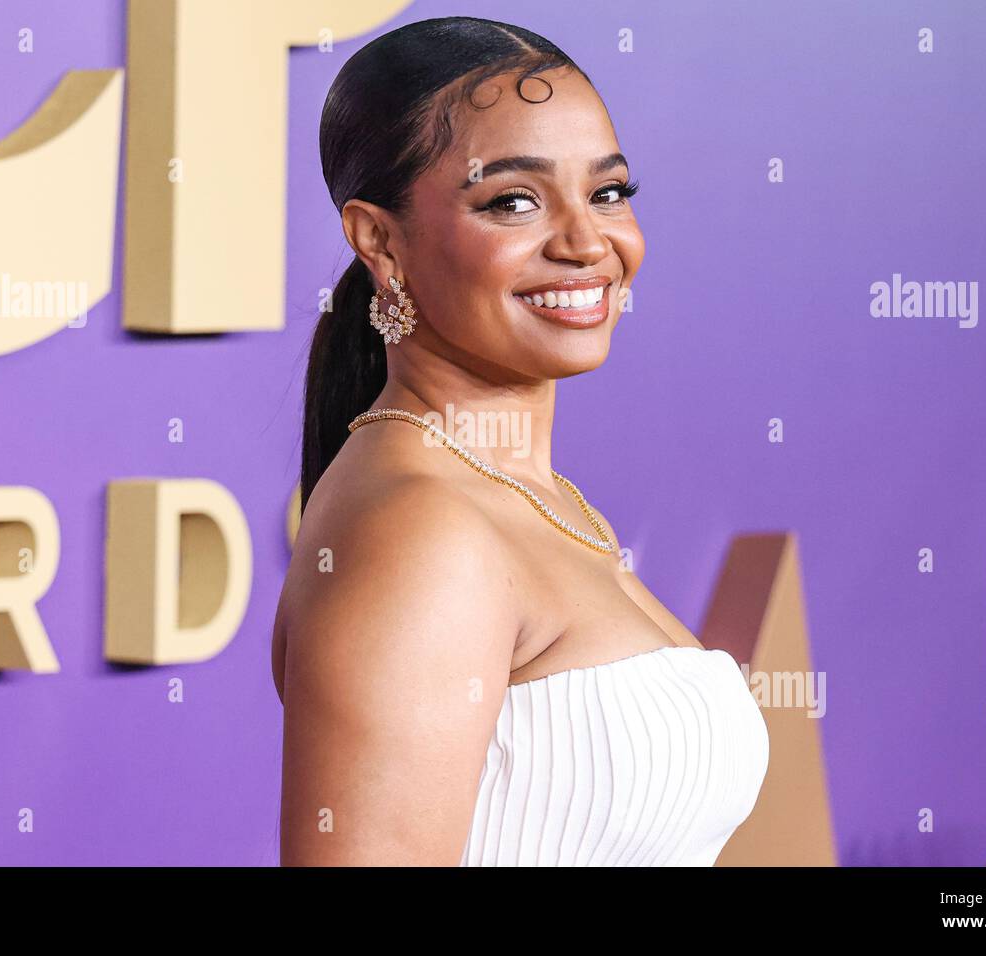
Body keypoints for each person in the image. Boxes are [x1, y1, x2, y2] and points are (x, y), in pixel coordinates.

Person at [272, 15, 768, 866]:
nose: (587, 243)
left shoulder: (525, 494)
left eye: (608, 192)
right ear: (379, 241)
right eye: (513, 201)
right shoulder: (420, 532)